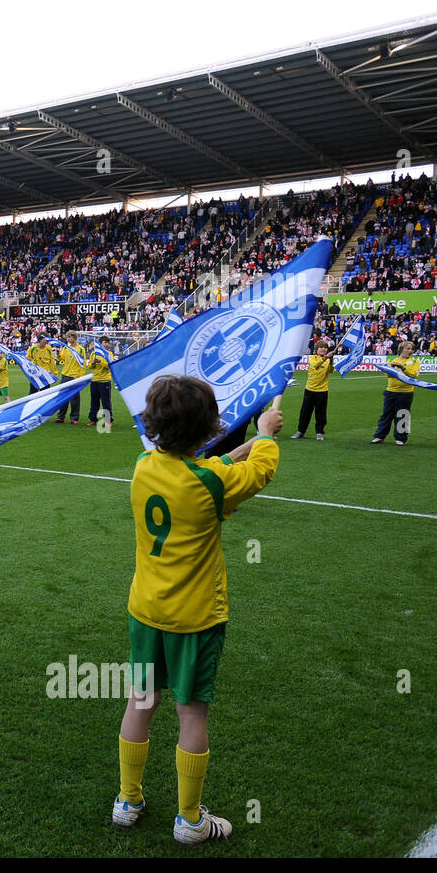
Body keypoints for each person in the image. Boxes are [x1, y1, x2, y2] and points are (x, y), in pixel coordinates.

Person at [112, 375, 282, 846]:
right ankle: (189, 820)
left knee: (141, 701)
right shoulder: (212, 483)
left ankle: (128, 800)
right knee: (192, 714)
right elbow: (258, 473)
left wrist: (235, 451)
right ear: (209, 426)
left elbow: (199, 472)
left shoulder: (144, 465)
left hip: (146, 608)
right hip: (195, 617)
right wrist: (265, 436)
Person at [371, 341, 421, 446]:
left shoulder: (415, 361)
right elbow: (388, 375)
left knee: (403, 414)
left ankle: (401, 438)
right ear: (401, 349)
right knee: (386, 414)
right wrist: (392, 368)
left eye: (411, 349)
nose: (410, 351)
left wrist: (403, 368)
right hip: (391, 391)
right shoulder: (392, 360)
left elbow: (414, 376)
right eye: (408, 349)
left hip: (406, 392)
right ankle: (379, 436)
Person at [291, 339, 333, 440]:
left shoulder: (327, 360)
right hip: (310, 389)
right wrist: (327, 357)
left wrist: (331, 361)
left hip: (322, 390)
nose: (323, 349)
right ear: (317, 349)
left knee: (321, 413)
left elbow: (330, 371)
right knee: (305, 412)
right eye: (321, 347)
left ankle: (319, 432)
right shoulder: (312, 358)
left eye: (325, 347)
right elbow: (315, 365)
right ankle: (300, 431)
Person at [54, 332, 86, 425]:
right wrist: (58, 354)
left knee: (74, 399)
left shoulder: (80, 349)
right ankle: (61, 417)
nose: (68, 339)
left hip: (75, 376)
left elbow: (83, 364)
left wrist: (81, 376)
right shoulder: (66, 348)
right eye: (67, 337)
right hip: (65, 375)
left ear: (74, 337)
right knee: (63, 396)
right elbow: (60, 359)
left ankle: (74, 418)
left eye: (69, 337)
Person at [86, 337, 114, 428]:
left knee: (106, 402)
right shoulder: (94, 353)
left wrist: (100, 361)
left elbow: (110, 366)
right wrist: (93, 363)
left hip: (105, 380)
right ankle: (93, 419)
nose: (107, 344)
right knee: (94, 401)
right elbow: (90, 366)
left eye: (108, 343)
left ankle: (108, 420)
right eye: (105, 342)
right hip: (94, 380)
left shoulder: (109, 354)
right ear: (100, 343)